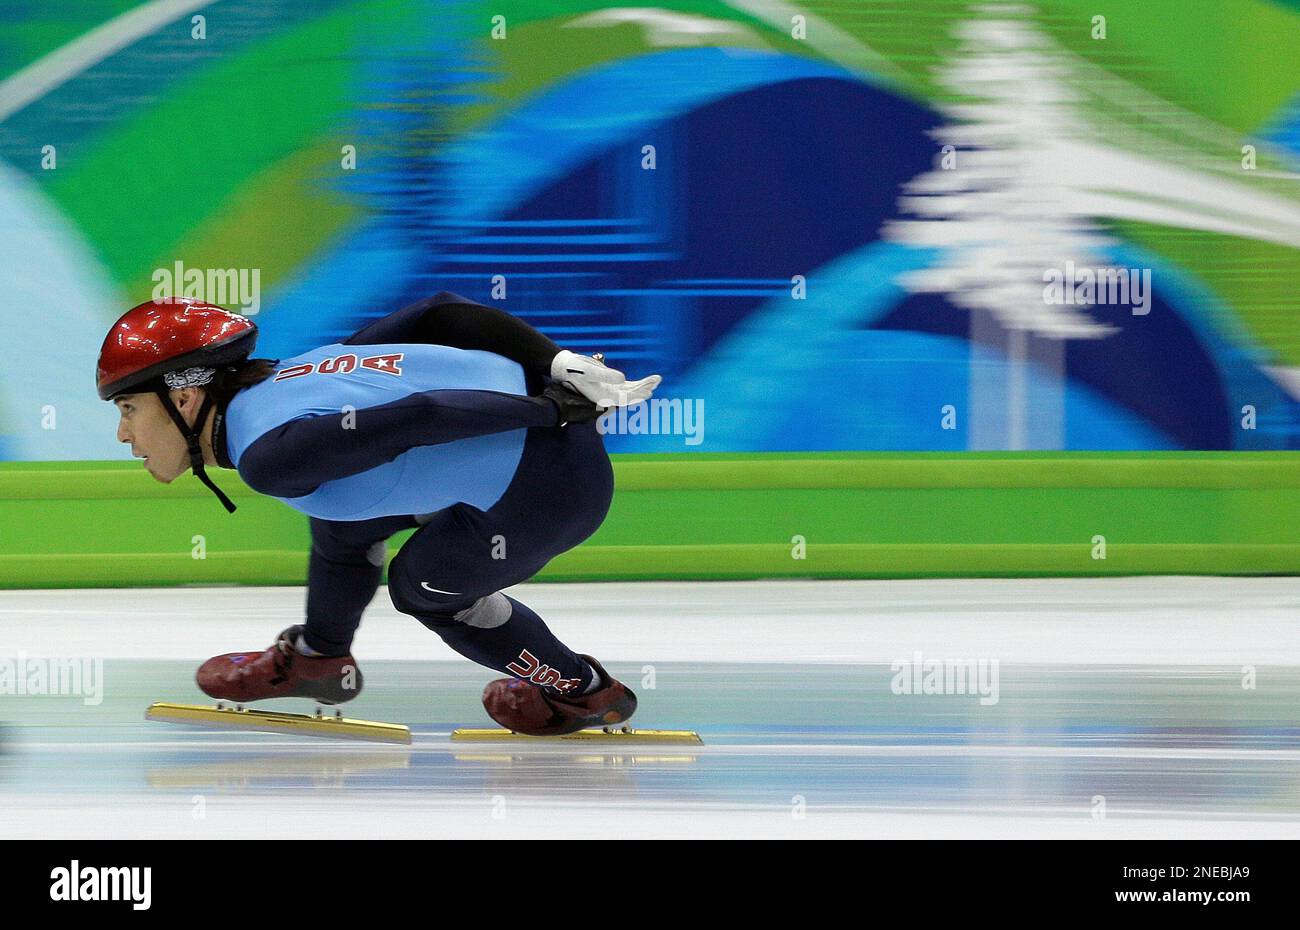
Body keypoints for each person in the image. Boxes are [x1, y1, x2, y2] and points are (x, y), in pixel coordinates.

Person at [95, 292, 661, 735]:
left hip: (553, 488)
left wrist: (548, 410)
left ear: (186, 398)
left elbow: (420, 415)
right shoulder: (294, 374)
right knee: (341, 522)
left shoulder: (268, 457)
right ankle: (320, 660)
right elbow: (440, 311)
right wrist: (554, 364)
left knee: (422, 588)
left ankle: (584, 691)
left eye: (129, 409)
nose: (124, 434)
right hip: (538, 430)